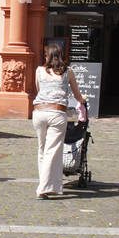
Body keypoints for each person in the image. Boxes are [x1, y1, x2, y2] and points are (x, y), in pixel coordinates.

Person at [33, 43, 87, 199]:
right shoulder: (68, 72)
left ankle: (50, 185)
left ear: (47, 56)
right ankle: (43, 188)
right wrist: (82, 99)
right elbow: (77, 95)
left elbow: (39, 90)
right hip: (57, 113)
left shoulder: (39, 71)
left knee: (42, 149)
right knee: (52, 151)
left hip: (39, 111)